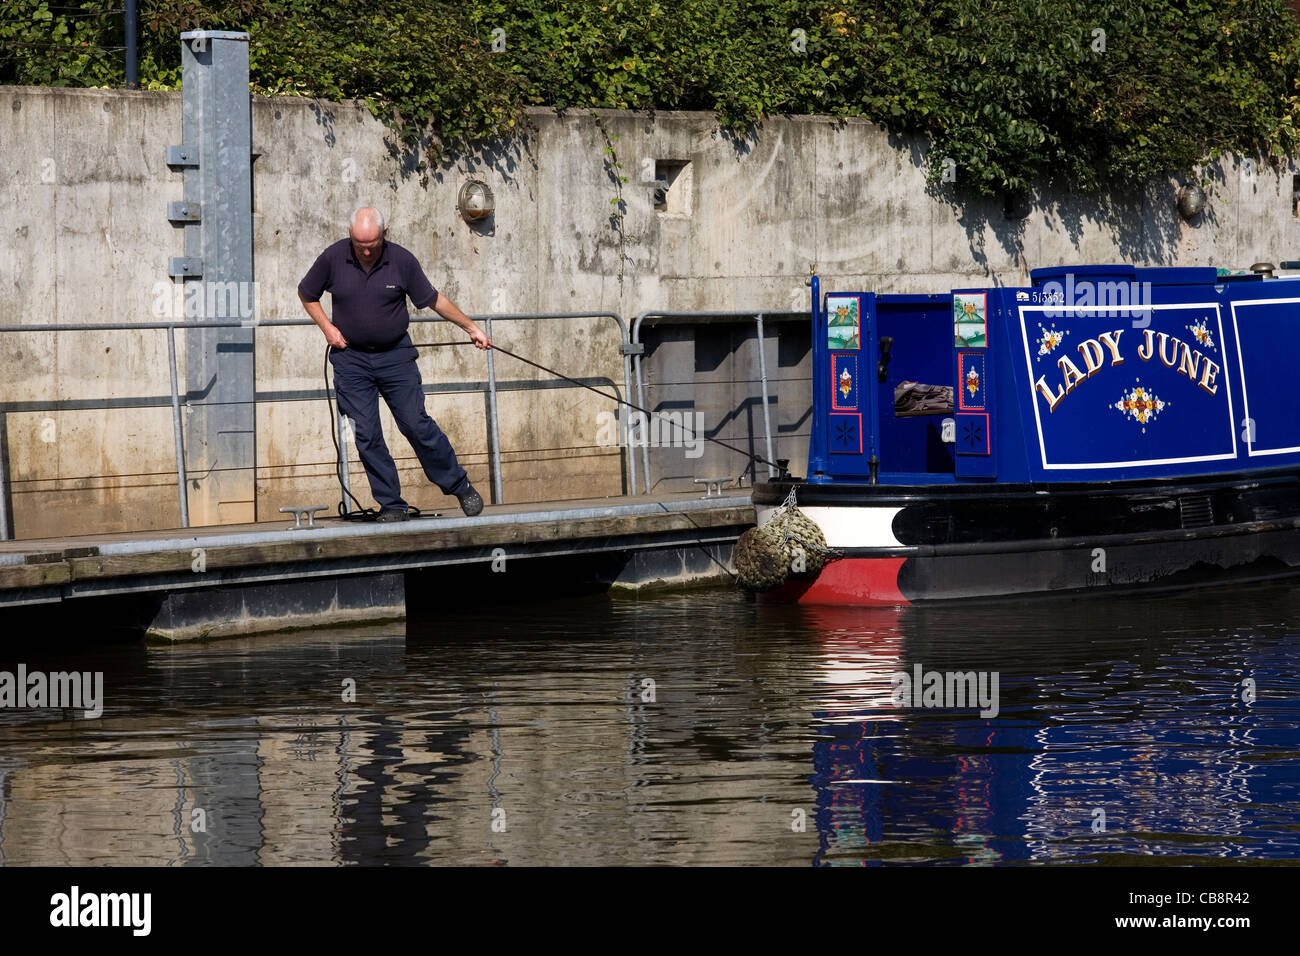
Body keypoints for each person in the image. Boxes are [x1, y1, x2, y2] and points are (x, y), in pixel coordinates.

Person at [298, 206, 490, 520]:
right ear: (351, 237)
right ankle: (392, 504)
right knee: (367, 433)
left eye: (372, 243)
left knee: (416, 425)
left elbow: (433, 299)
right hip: (351, 360)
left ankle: (459, 484)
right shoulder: (332, 258)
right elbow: (307, 294)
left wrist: (471, 327)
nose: (366, 250)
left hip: (396, 357)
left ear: (384, 235)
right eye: (360, 244)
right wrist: (327, 328)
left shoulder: (402, 261)